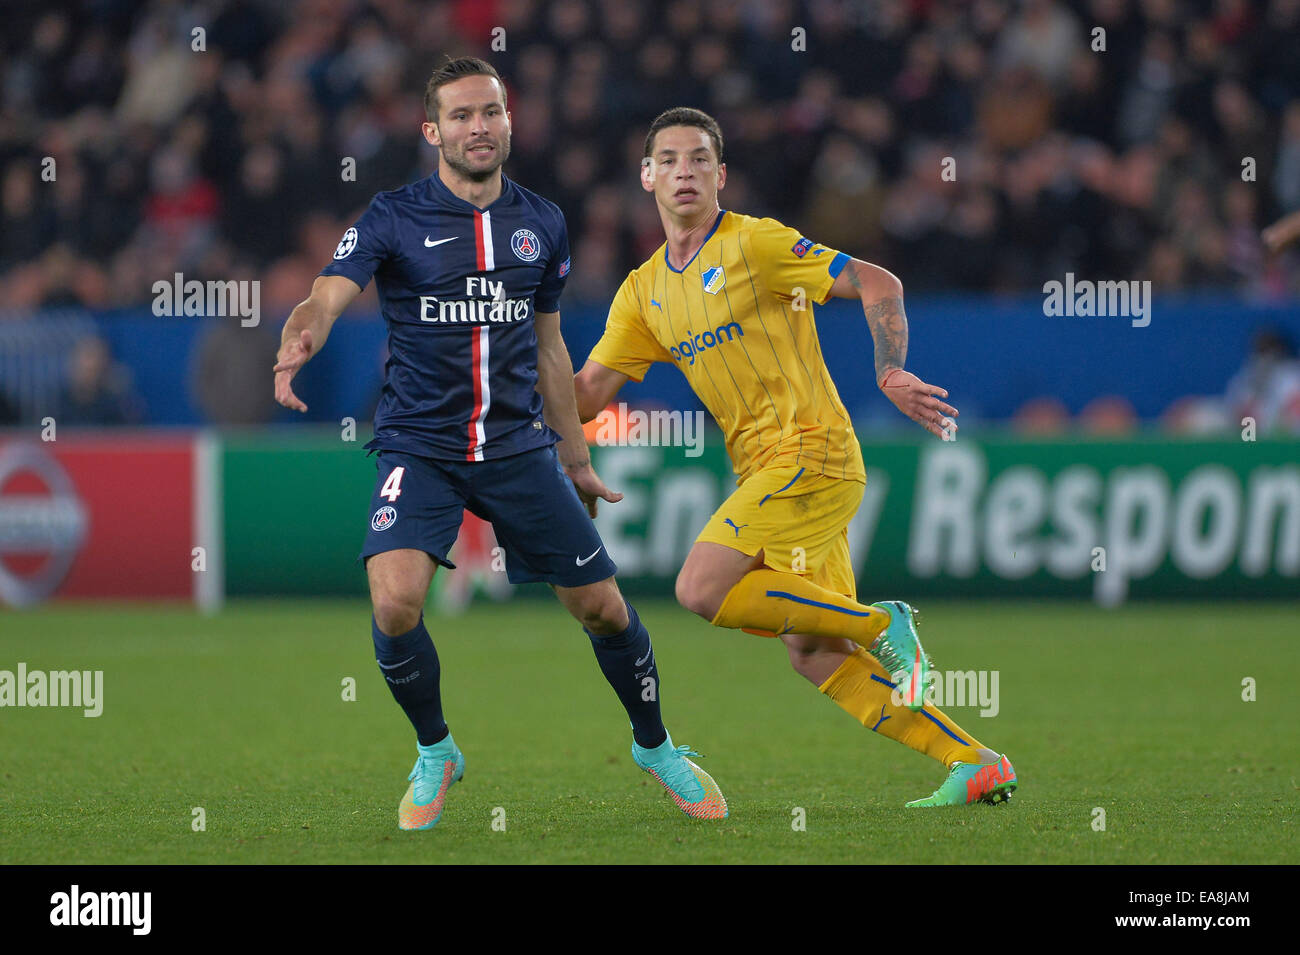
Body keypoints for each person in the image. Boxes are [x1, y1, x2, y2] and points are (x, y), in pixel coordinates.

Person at [272, 61, 726, 830]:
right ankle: (436, 748)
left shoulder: (542, 221)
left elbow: (551, 348)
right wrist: (302, 334)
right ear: (432, 132)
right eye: (460, 116)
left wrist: (576, 456)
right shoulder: (390, 215)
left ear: (509, 122)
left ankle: (654, 745)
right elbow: (327, 292)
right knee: (394, 601)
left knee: (605, 610)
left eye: (490, 112)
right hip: (419, 443)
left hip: (519, 447)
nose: (477, 127)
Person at [574, 107, 1016, 807]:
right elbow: (587, 394)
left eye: (698, 160)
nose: (683, 171)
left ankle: (883, 621)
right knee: (813, 652)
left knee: (699, 587)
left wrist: (890, 370)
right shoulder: (643, 291)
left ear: (721, 175)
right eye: (669, 159)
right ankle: (975, 758)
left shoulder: (756, 244)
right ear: (646, 174)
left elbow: (880, 282)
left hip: (813, 451)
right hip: (771, 475)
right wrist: (500, 400)